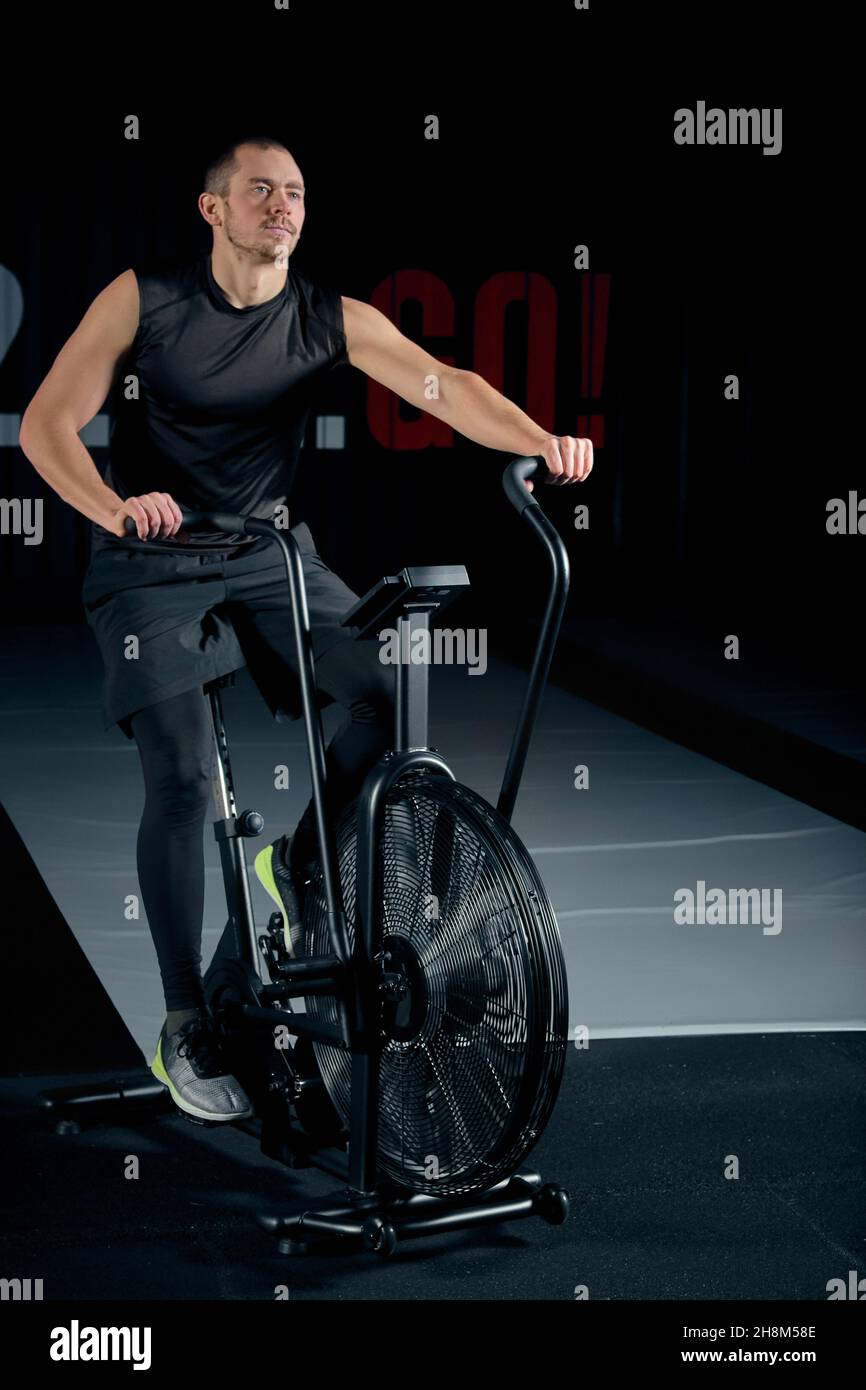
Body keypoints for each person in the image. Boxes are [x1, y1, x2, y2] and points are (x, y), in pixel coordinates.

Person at [20, 133, 593, 1124]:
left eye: (294, 192)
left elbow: (443, 385)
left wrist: (540, 439)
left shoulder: (328, 316)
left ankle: (291, 863)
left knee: (383, 704)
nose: (282, 206)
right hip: (150, 561)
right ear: (213, 210)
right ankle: (186, 1021)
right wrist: (116, 508)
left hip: (266, 552)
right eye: (260, 191)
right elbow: (45, 425)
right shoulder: (145, 298)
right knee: (186, 778)